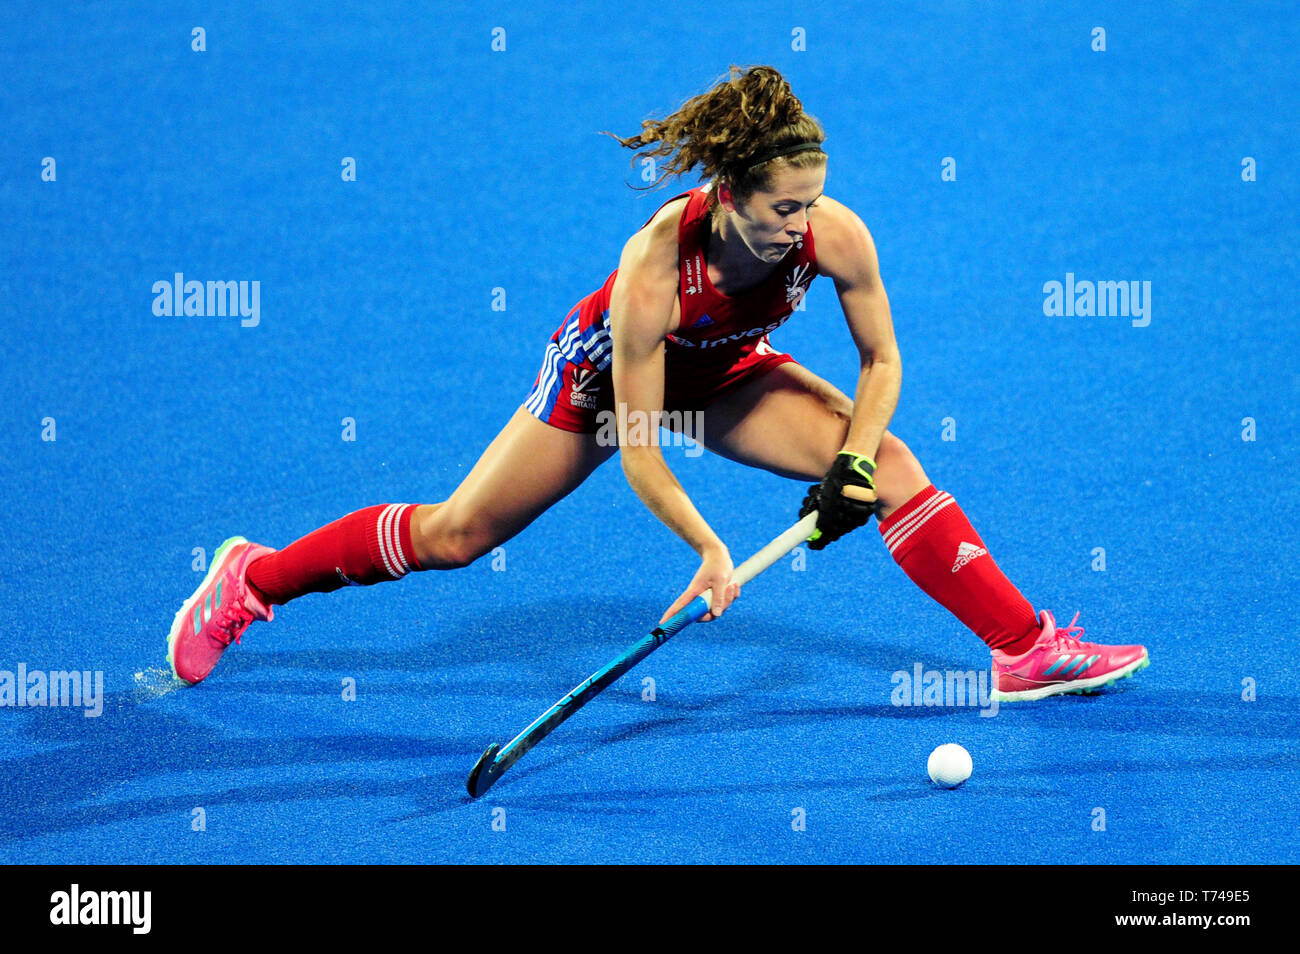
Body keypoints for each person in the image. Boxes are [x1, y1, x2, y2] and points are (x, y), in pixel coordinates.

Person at [167, 65, 1148, 703]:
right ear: (727, 193)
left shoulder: (833, 233)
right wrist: (710, 548)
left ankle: (1023, 649)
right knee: (456, 536)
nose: (795, 228)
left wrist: (848, 459)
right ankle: (253, 577)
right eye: (778, 210)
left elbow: (883, 363)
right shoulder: (651, 272)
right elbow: (642, 445)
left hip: (723, 372)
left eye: (807, 205)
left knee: (890, 464)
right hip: (606, 383)